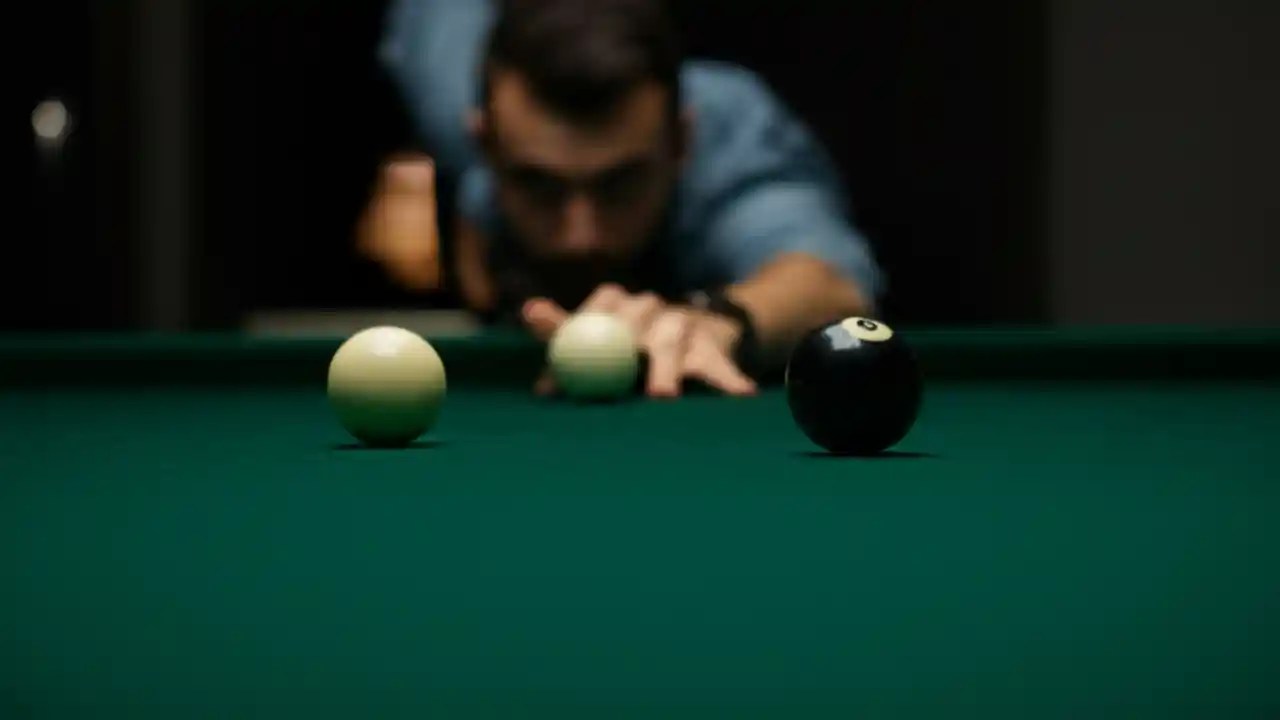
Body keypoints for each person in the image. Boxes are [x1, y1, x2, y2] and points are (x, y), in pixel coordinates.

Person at [360, 0, 884, 397]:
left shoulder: (729, 146)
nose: (580, 238)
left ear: (680, 142)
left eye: (620, 185)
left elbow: (829, 279)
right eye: (539, 185)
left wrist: (722, 317)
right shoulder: (450, 88)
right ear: (485, 144)